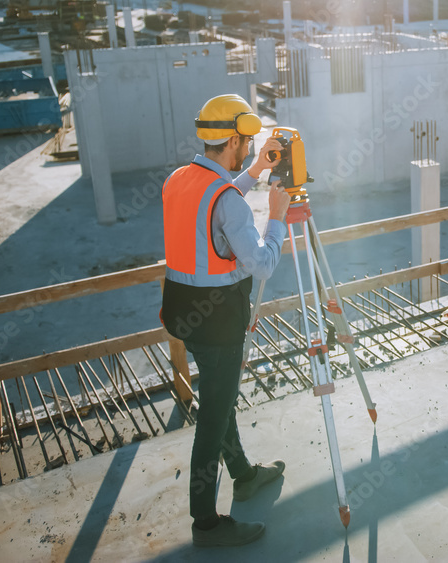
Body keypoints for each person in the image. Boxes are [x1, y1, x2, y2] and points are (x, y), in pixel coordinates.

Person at [161, 93, 292, 547]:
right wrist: (276, 218)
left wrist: (254, 171)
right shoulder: (229, 200)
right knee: (214, 417)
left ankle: (244, 475)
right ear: (234, 139)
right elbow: (262, 264)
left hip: (183, 315)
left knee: (219, 397)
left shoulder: (181, 179)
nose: (248, 146)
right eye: (247, 142)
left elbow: (217, 201)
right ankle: (207, 525)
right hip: (218, 322)